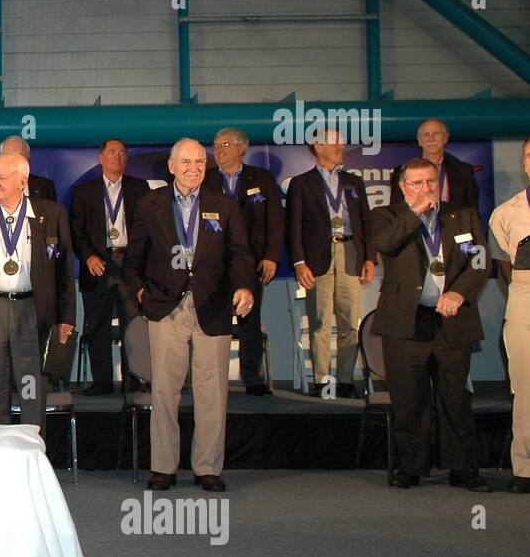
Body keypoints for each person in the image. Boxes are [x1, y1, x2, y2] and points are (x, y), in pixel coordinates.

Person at [123, 138, 254, 492]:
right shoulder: (149, 204)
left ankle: (207, 468)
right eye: (185, 162)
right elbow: (133, 257)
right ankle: (163, 467)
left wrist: (244, 287)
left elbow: (240, 255)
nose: (193, 168)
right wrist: (140, 292)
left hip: (213, 305)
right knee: (165, 391)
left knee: (212, 393)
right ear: (171, 166)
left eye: (199, 162)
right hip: (165, 308)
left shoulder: (223, 206)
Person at [371, 157, 491, 491]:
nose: (427, 189)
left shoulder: (461, 215)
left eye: (432, 183)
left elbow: (479, 262)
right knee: (410, 399)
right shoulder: (388, 215)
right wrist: (416, 213)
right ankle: (411, 467)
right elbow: (384, 244)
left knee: (455, 397)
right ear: (403, 186)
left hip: (451, 319)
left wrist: (458, 292)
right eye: (419, 183)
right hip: (406, 322)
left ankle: (461, 468)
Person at [0, 153, 75, 441]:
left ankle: (32, 456)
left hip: (32, 314)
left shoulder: (51, 214)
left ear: (22, 181)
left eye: (1, 177)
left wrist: (65, 317)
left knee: (31, 389)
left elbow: (64, 270)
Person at [286, 127, 375, 397]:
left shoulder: (354, 182)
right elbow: (294, 227)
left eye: (342, 142)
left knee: (349, 323)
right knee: (320, 322)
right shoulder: (301, 183)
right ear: (318, 146)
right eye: (336, 142)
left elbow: (367, 223)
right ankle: (323, 381)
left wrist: (370, 258)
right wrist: (300, 263)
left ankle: (346, 381)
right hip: (317, 259)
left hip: (350, 254)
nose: (342, 147)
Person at [204, 127, 284, 396]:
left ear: (242, 148)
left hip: (250, 262)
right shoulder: (206, 179)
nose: (218, 150)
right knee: (217, 321)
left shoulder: (261, 178)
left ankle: (252, 377)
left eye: (225, 144)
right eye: (215, 145)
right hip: (213, 264)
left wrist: (271, 256)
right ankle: (214, 380)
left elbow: (274, 221)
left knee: (249, 322)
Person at [69, 139, 150, 395]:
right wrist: (88, 257)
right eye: (112, 152)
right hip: (98, 263)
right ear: (100, 158)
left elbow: (149, 229)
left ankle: (132, 380)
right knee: (97, 324)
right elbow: (76, 232)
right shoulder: (85, 191)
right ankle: (102, 380)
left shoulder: (140, 188)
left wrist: (137, 260)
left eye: (122, 153)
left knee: (133, 325)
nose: (118, 157)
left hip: (130, 262)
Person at [488, 136, 530, 493]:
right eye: (529, 155)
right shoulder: (506, 213)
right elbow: (503, 263)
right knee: (526, 388)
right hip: (525, 298)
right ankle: (525, 468)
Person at [389, 117, 479, 209]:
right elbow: (395, 211)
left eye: (436, 134)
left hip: (453, 221)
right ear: (419, 140)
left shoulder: (464, 171)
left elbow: (472, 211)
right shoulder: (401, 171)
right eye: (426, 134)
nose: (431, 139)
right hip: (415, 221)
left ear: (445, 138)